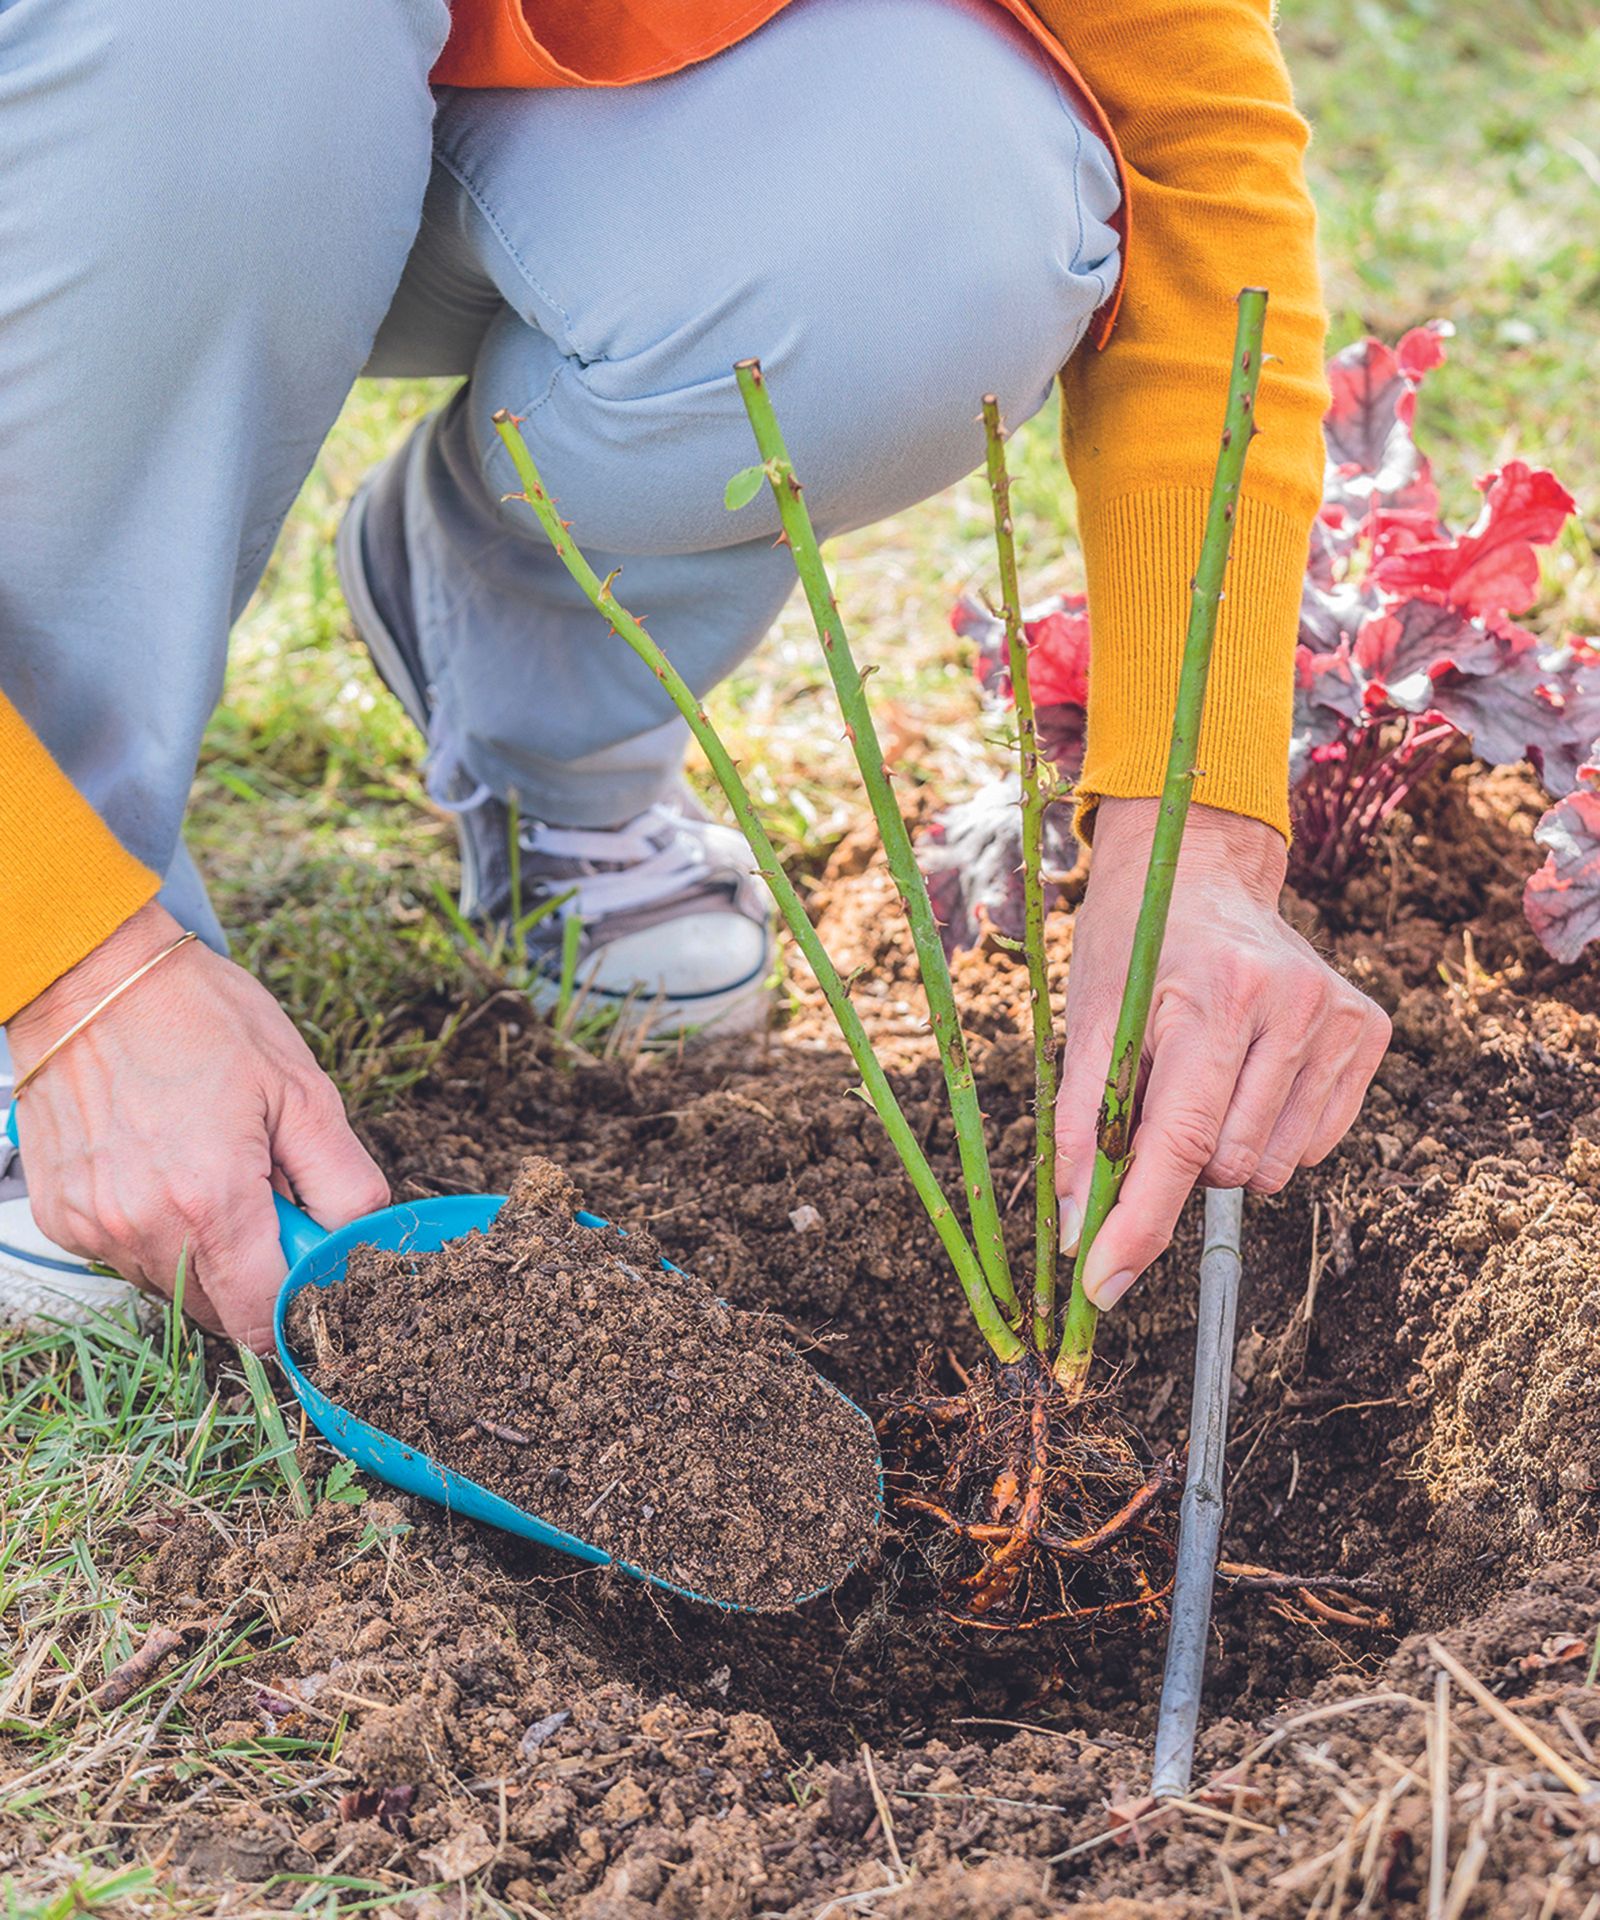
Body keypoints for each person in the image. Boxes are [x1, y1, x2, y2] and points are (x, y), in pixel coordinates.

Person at [0, 0, 1390, 1351]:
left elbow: (1189, 129)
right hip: (107, 113)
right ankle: (62, 1000)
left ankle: (527, 683)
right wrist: (67, 966)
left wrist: (1195, 843)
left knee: (948, 218)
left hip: (527, 97)